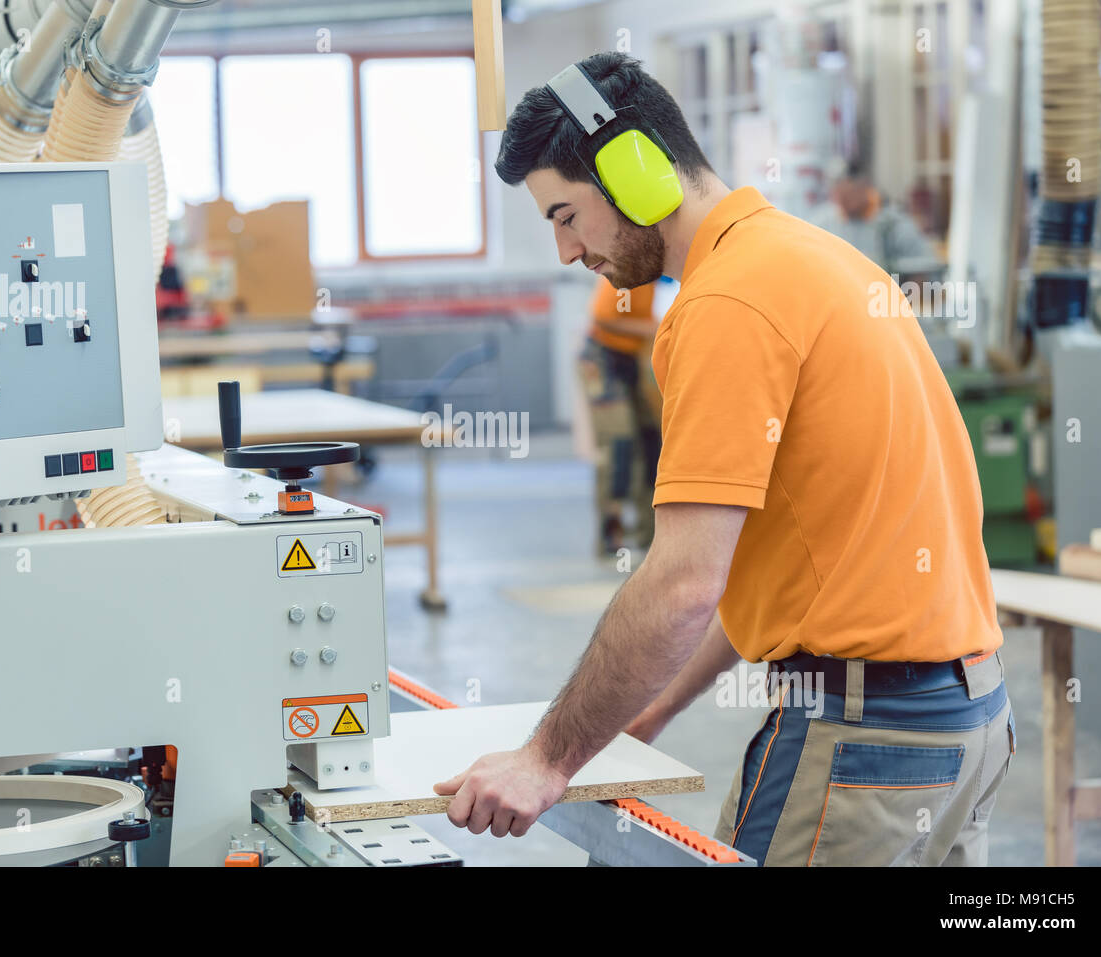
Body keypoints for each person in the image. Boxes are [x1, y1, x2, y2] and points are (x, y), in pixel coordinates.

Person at [433, 52, 1013, 866]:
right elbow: (763, 565)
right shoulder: (821, 259)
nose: (567, 251)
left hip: (866, 740)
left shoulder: (725, 305)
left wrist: (545, 760)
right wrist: (649, 708)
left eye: (566, 215)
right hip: (971, 723)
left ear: (635, 171)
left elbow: (682, 582)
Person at [579, 275, 670, 554]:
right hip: (602, 359)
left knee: (651, 438)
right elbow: (603, 316)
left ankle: (650, 531)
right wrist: (653, 328)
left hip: (632, 360)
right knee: (619, 440)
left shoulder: (654, 281)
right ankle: (611, 530)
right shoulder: (628, 273)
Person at [808, 160, 937, 276]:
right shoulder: (822, 224)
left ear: (866, 188)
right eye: (839, 194)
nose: (845, 201)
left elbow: (925, 268)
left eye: (851, 194)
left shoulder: (894, 225)